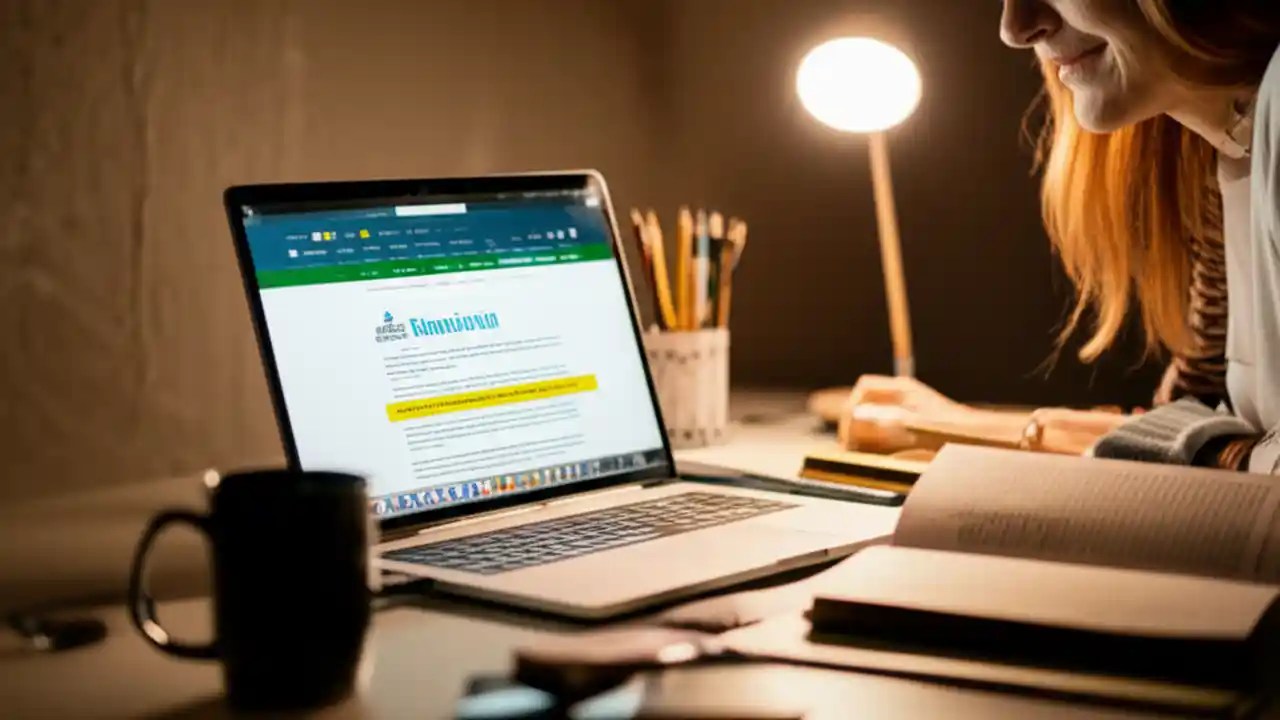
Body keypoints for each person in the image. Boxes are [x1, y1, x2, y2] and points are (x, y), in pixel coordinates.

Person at [842, 0, 1280, 472]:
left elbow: (1215, 447)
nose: (1016, 28)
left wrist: (986, 432)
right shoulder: (1222, 154)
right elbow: (1203, 407)